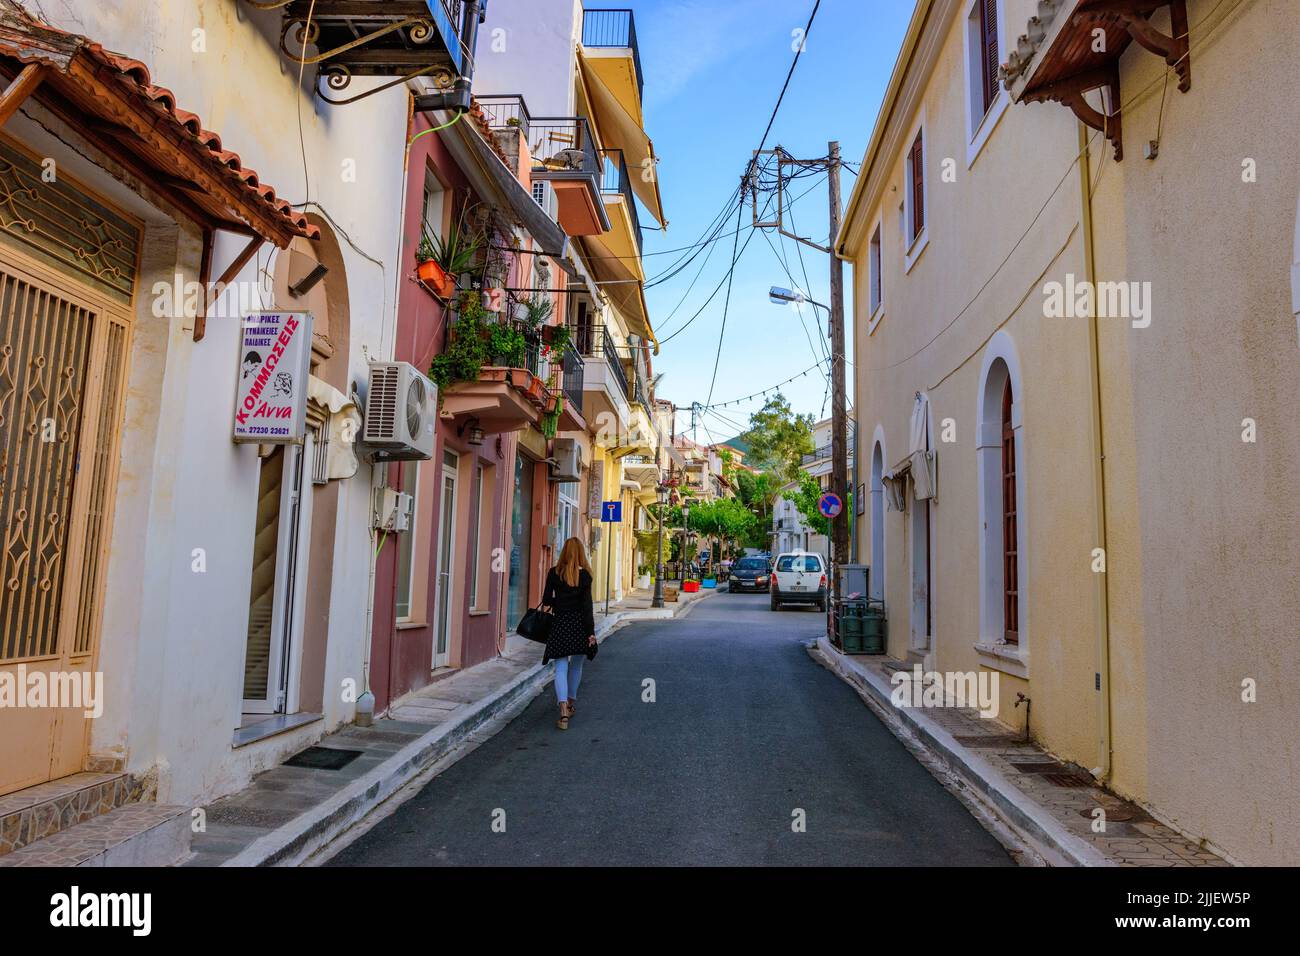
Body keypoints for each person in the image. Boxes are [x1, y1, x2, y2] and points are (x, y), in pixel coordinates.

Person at [541, 537, 597, 730]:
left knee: (561, 668)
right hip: (580, 626)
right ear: (581, 553)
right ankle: (571, 704)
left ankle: (563, 711)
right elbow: (587, 607)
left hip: (560, 625)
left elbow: (546, 600)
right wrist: (591, 633)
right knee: (576, 667)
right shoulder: (585, 576)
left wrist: (561, 604)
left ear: (564, 552)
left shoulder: (554, 573)